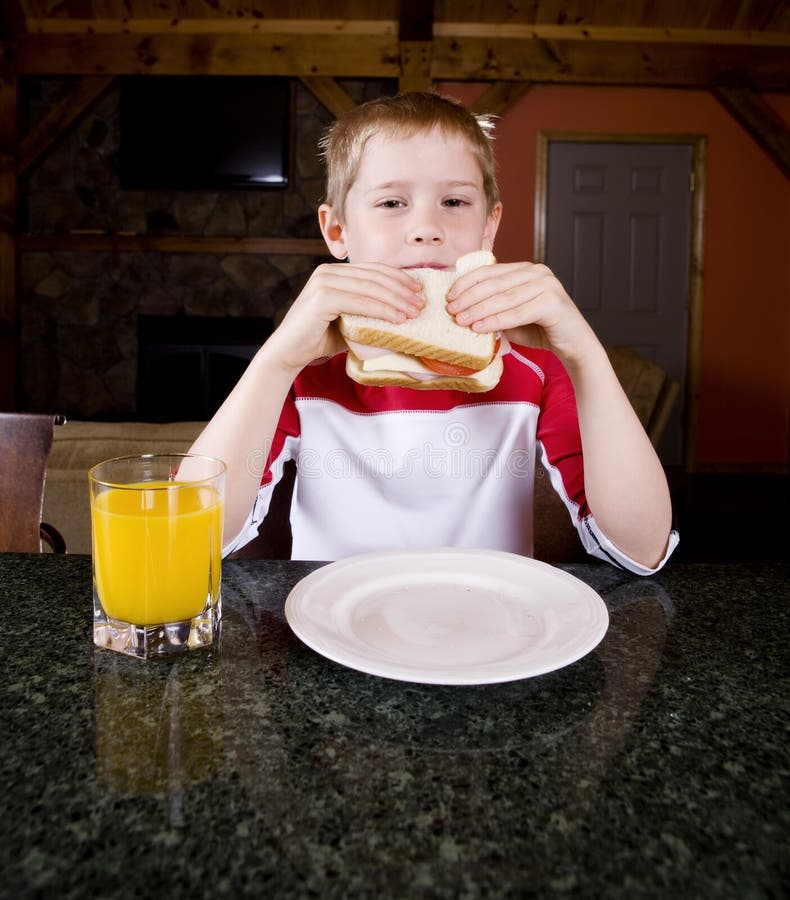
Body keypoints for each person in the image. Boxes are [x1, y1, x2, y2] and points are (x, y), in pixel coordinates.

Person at [190, 91, 677, 574]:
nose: (426, 227)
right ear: (337, 231)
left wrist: (585, 357)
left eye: (454, 200)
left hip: (489, 633)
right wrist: (274, 362)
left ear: (488, 227)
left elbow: (641, 548)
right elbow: (193, 536)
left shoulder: (536, 368)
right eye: (391, 201)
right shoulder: (303, 370)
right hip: (334, 636)